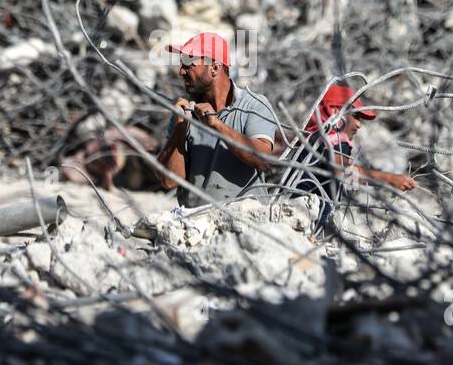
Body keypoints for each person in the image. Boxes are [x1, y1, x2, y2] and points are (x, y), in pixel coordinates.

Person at [156, 31, 279, 206]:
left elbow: (263, 160)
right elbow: (169, 181)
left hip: (244, 218)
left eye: (189, 64)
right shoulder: (184, 113)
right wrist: (180, 128)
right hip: (197, 219)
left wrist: (217, 126)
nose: (181, 71)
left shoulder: (253, 105)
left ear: (214, 67)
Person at [286, 84, 416, 232]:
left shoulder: (311, 138)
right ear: (335, 111)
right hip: (308, 223)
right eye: (356, 116)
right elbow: (344, 174)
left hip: (292, 212)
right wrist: (390, 179)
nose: (359, 124)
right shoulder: (336, 141)